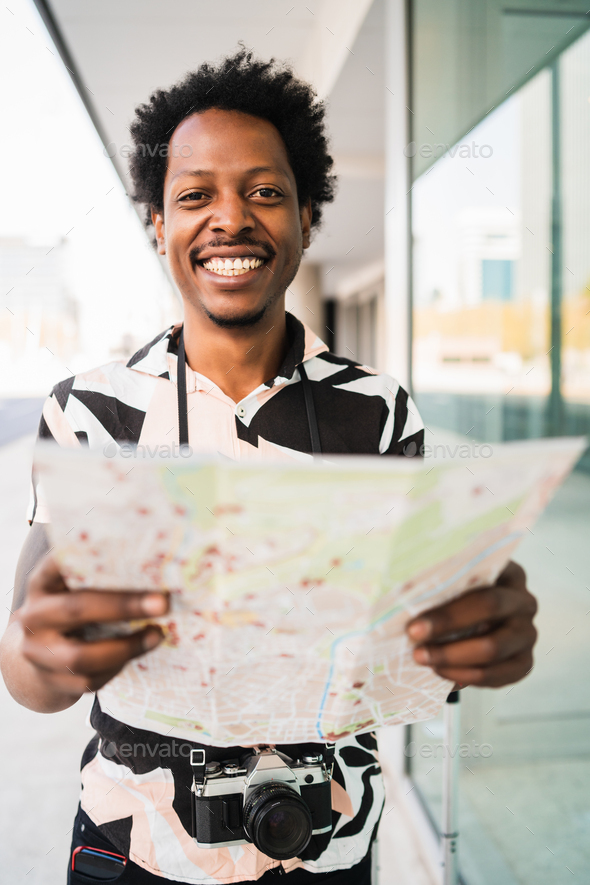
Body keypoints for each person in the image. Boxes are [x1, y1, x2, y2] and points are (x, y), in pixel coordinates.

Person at [0, 50, 537, 884]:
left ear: (307, 216)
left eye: (264, 191)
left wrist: (475, 627)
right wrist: (38, 655)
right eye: (193, 196)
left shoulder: (379, 411)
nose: (229, 219)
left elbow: (424, 618)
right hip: (136, 847)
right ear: (156, 225)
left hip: (331, 849)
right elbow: (31, 667)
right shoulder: (87, 410)